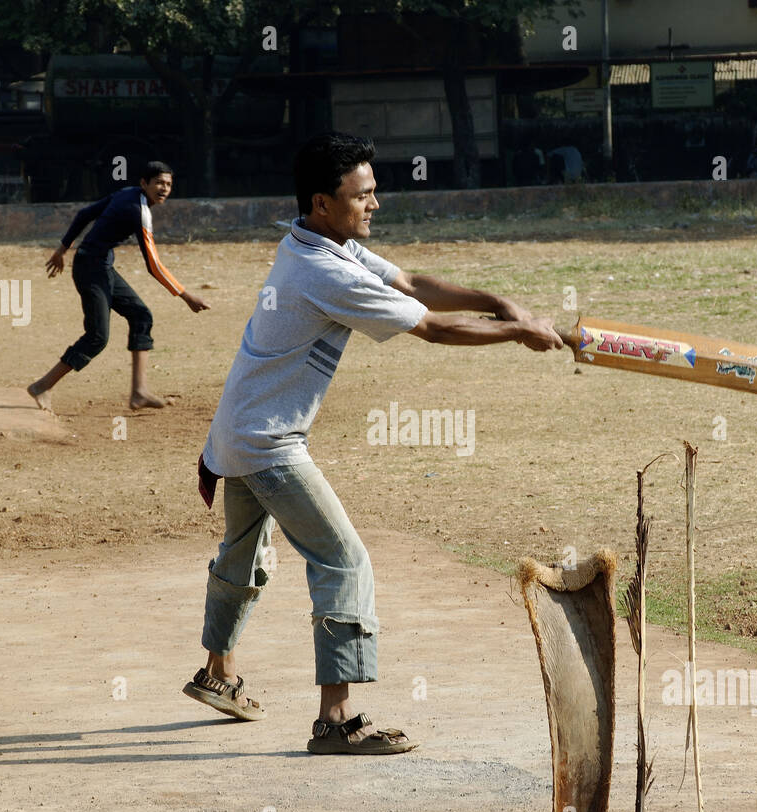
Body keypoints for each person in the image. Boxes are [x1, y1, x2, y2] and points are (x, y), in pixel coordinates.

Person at [184, 131, 563, 754]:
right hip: (268, 441)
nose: (374, 206)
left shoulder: (318, 243)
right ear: (321, 203)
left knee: (243, 554)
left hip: (237, 430)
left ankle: (219, 674)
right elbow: (434, 328)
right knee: (343, 559)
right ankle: (336, 721)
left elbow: (413, 282)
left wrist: (500, 303)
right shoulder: (321, 270)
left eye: (374, 193)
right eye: (361, 196)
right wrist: (517, 332)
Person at [27, 161, 208, 412]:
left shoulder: (126, 193)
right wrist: (186, 295)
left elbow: (85, 214)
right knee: (97, 337)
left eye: (168, 184)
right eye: (159, 183)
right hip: (91, 269)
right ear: (144, 183)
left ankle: (139, 392)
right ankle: (42, 386)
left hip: (101, 266)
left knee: (140, 315)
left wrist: (63, 248)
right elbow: (153, 265)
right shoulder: (139, 210)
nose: (164, 189)